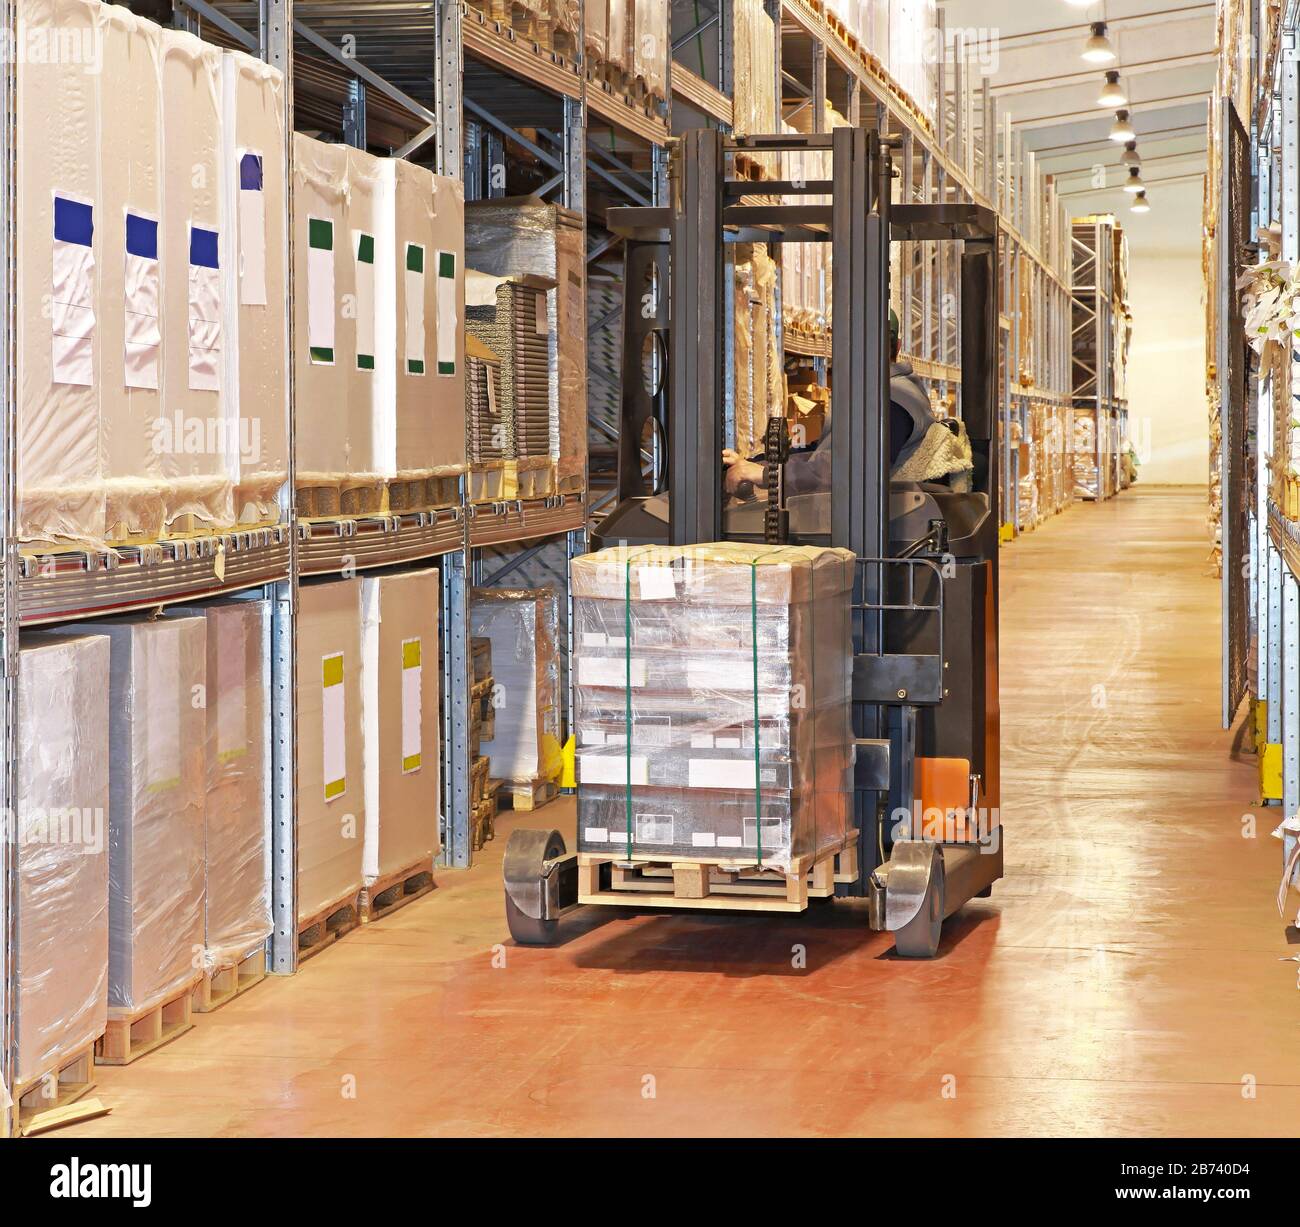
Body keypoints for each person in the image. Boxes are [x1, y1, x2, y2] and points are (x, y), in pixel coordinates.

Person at [723, 308, 936, 498]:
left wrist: (766, 475)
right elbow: (822, 452)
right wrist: (754, 462)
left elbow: (847, 469)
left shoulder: (891, 402)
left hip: (863, 529)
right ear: (897, 347)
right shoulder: (878, 394)